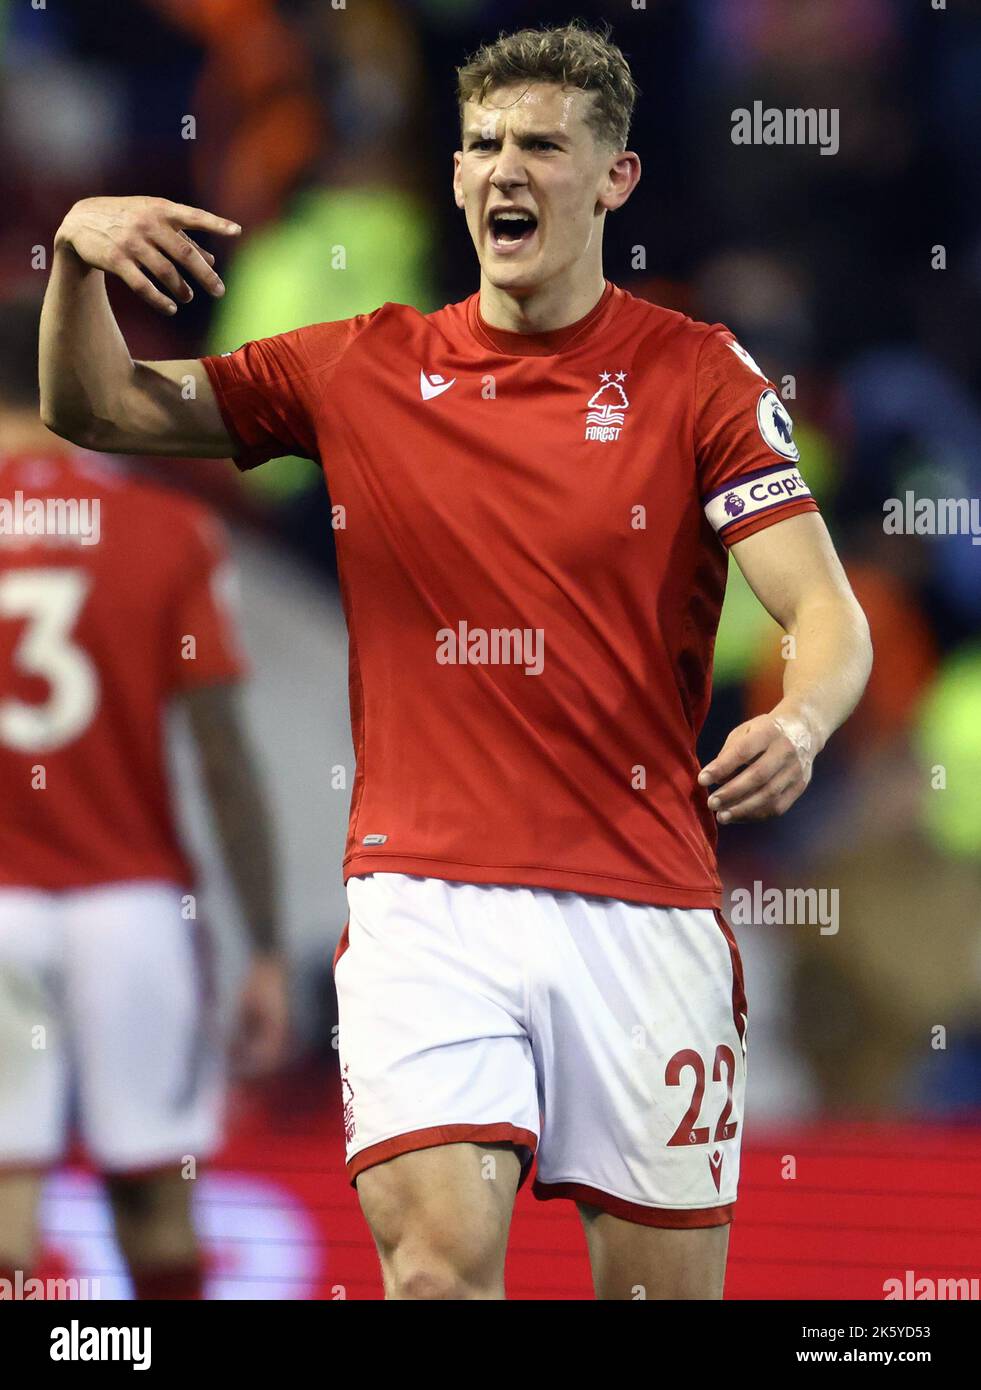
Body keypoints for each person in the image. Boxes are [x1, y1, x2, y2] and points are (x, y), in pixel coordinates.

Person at [37, 20, 872, 1300]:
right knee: (435, 1269)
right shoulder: (359, 366)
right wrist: (77, 267)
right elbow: (99, 408)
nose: (503, 170)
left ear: (615, 178)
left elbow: (824, 610)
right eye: (482, 144)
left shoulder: (698, 376)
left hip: (642, 905)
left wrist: (803, 726)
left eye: (542, 144)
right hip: (427, 900)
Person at [0, 298, 287, 1300]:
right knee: (156, 1193)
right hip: (131, 907)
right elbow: (222, 758)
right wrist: (260, 944)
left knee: (4, 1208)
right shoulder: (167, 529)